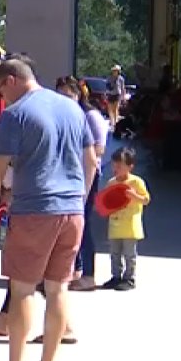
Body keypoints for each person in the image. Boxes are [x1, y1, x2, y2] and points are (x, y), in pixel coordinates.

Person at [0, 57, 97, 361]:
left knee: (23, 290)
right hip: (72, 211)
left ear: (11, 80)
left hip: (34, 212)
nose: (0, 97)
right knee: (57, 290)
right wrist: (79, 199)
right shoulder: (72, 108)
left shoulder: (16, 114)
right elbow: (91, 161)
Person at [57, 77, 107, 291]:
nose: (64, 100)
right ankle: (74, 269)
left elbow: (98, 150)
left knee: (83, 224)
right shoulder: (60, 116)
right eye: (60, 95)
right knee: (68, 226)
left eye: (68, 95)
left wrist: (85, 188)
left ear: (79, 95)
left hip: (86, 177)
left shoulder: (91, 116)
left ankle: (88, 274)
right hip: (65, 175)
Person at [101, 147, 151, 290]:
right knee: (114, 253)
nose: (115, 168)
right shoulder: (111, 182)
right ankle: (116, 276)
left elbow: (146, 200)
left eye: (119, 166)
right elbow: (105, 201)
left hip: (130, 225)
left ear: (130, 167)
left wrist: (135, 196)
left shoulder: (136, 182)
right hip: (115, 224)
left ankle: (129, 278)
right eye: (114, 165)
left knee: (129, 254)